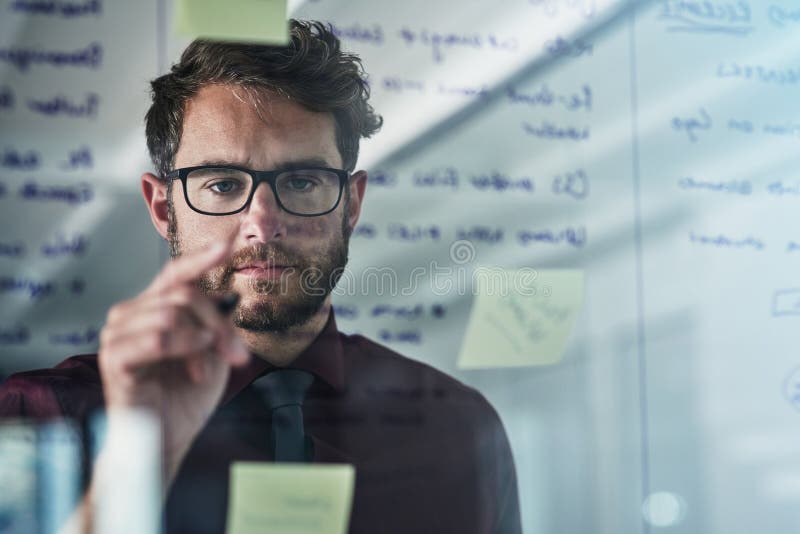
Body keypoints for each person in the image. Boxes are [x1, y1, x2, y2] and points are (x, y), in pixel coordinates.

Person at [0, 20, 521, 533]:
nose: (263, 224)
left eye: (302, 181)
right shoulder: (43, 415)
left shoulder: (460, 429)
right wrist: (140, 455)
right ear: (162, 208)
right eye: (223, 184)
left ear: (352, 204)